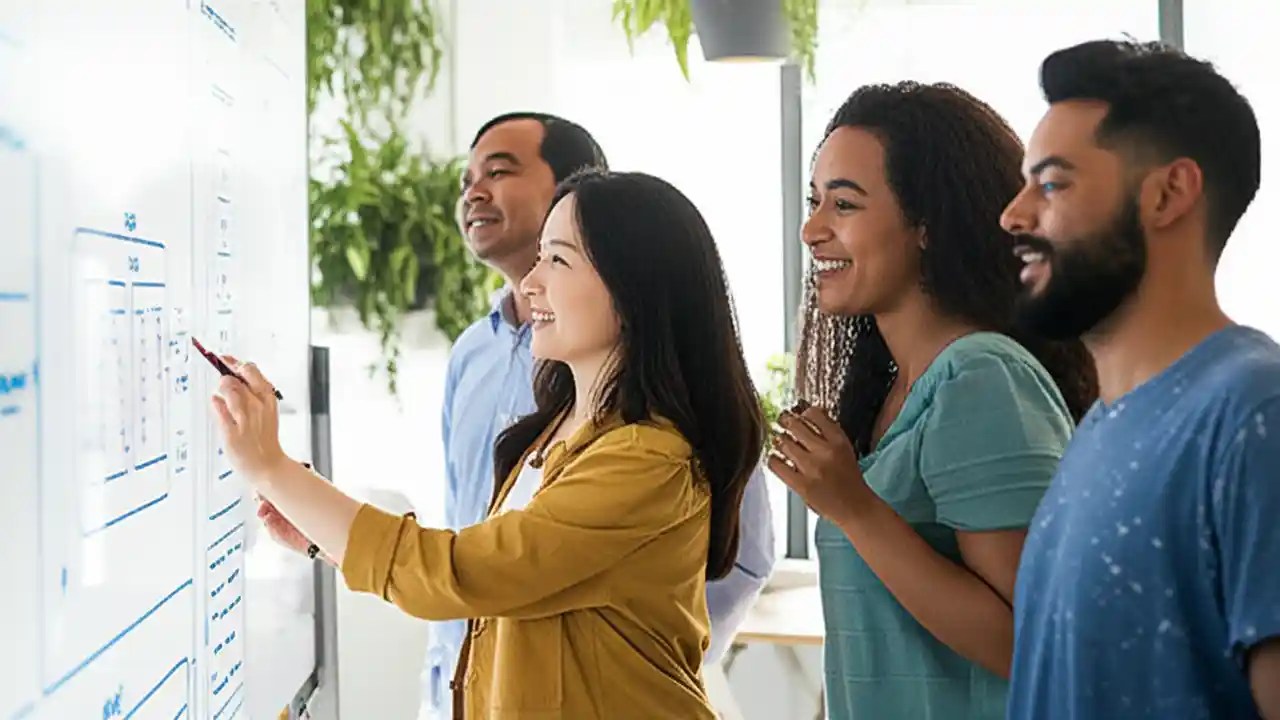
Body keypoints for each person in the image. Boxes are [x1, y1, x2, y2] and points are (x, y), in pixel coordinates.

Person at [214, 168, 768, 719]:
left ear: (632, 289)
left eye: (558, 260)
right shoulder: (556, 427)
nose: (530, 283)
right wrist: (321, 534)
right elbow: (498, 573)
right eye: (540, 257)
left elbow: (460, 573)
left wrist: (272, 467)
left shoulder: (648, 460)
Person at [767, 82, 1098, 719]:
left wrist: (855, 510)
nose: (812, 229)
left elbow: (1034, 645)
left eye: (844, 204)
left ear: (926, 226)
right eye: (814, 202)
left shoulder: (981, 378)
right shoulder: (894, 390)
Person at [431, 112, 774, 716]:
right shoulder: (472, 354)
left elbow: (741, 557)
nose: (474, 192)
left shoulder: (655, 433)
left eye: (499, 171)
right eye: (467, 179)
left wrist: (633, 661)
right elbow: (462, 527)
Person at [1001, 39, 1280, 718]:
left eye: (1053, 184)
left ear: (1168, 193)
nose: (1013, 215)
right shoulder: (1102, 429)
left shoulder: (1254, 414)